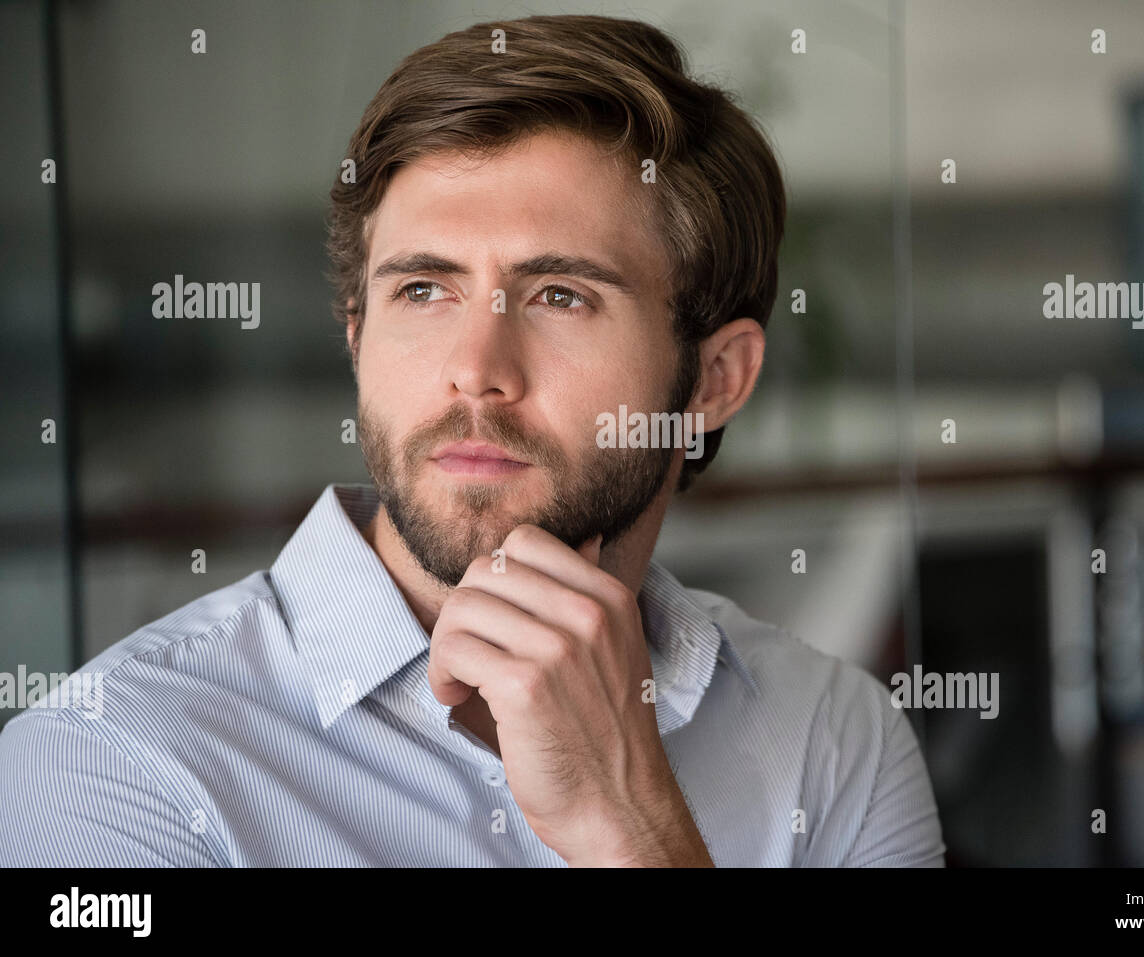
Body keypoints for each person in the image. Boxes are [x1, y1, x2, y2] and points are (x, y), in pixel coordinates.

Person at [0, 13, 944, 867]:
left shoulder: (830, 740)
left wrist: (635, 827)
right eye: (423, 290)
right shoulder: (113, 763)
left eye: (561, 296)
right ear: (357, 337)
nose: (476, 368)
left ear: (714, 379)